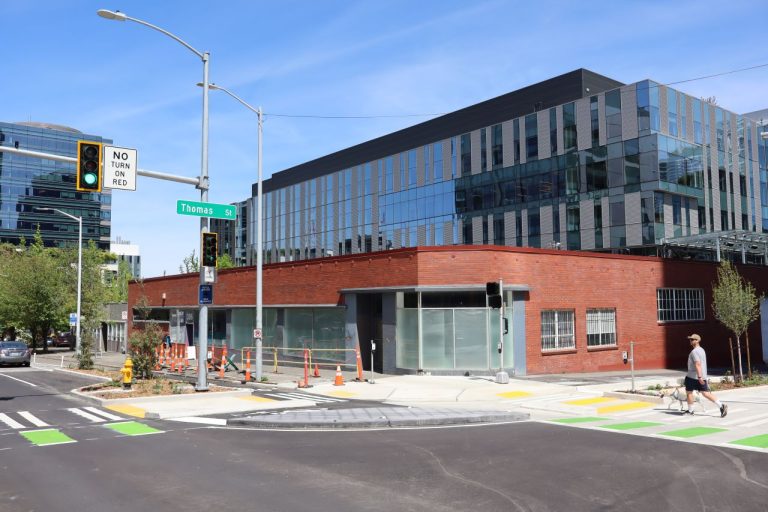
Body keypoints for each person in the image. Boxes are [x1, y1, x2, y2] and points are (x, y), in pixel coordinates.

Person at [685, 333, 727, 417]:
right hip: (702, 376)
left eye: (692, 339)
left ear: (697, 341)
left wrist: (699, 377)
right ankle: (721, 406)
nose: (690, 341)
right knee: (705, 393)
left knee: (689, 392)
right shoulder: (702, 350)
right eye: (690, 339)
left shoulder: (694, 352)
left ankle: (690, 411)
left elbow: (698, 364)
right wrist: (702, 376)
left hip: (693, 376)